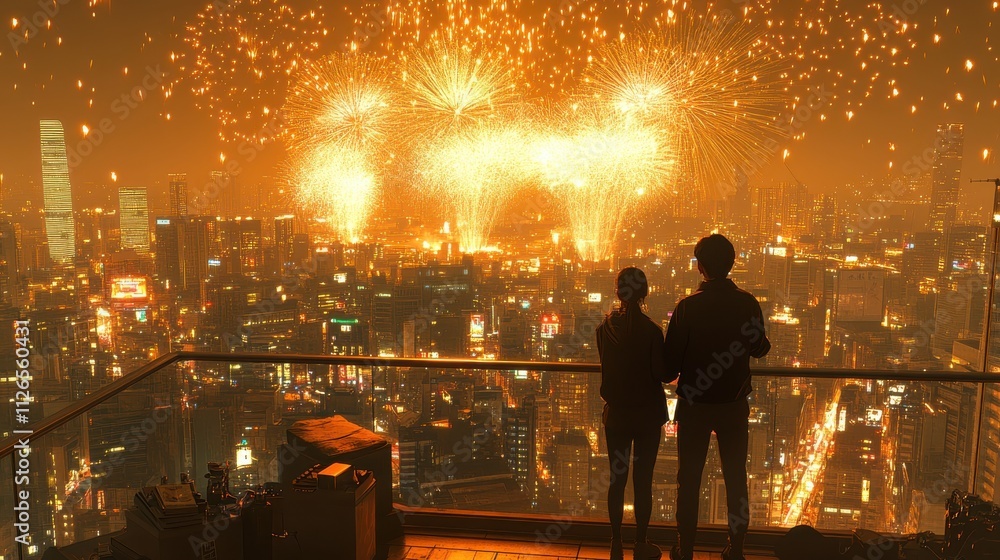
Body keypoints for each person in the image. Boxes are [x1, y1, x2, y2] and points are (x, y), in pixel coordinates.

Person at [661, 234, 771, 560]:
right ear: (731, 264)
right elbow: (760, 349)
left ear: (700, 267)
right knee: (736, 478)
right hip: (733, 404)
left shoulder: (687, 307)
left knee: (689, 480)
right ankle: (736, 547)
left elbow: (668, 367)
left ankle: (685, 547)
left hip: (694, 405)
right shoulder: (747, 303)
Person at [597, 267, 667, 560]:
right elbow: (661, 373)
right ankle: (641, 542)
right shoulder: (652, 331)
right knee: (643, 481)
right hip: (647, 414)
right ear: (644, 293)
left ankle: (616, 541)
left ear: (618, 292)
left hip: (617, 414)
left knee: (617, 479)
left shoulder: (604, 329)